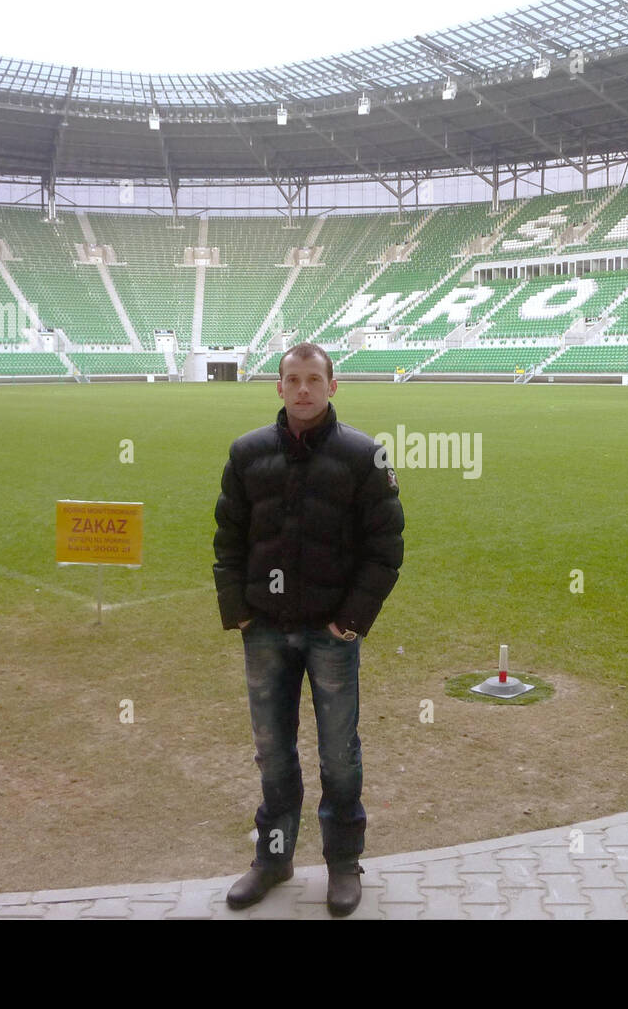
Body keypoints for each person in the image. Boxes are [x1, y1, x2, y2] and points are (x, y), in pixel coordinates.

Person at [213, 342, 404, 916]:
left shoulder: (363, 455)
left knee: (338, 753)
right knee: (272, 752)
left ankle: (343, 864)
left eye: (312, 379)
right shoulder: (247, 453)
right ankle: (273, 859)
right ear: (278, 387)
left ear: (331, 386)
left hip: (331, 634)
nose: (302, 389)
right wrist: (239, 609)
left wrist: (350, 620)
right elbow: (228, 537)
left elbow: (386, 547)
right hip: (265, 631)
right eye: (291, 379)